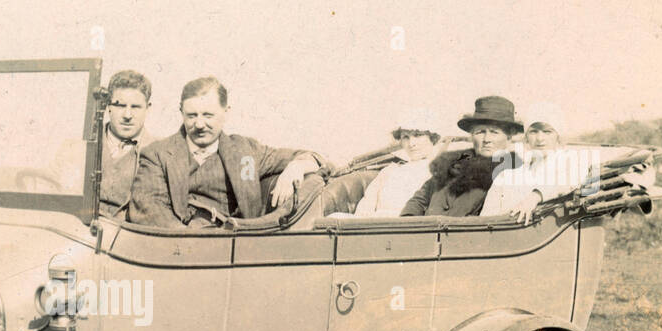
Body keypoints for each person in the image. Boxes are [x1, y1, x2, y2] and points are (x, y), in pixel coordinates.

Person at [128, 77, 324, 227]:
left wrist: (296, 168)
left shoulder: (245, 151)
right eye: (191, 116)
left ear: (225, 112)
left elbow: (317, 159)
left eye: (208, 115)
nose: (199, 124)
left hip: (238, 247)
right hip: (183, 247)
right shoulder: (157, 155)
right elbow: (149, 208)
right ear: (181, 113)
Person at [400, 96, 524, 217]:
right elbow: (420, 199)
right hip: (426, 233)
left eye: (494, 132)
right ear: (471, 136)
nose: (487, 139)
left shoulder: (513, 172)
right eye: (480, 132)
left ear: (509, 137)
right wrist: (408, 224)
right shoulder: (452, 163)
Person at [483, 104, 596, 223]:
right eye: (533, 132)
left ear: (558, 137)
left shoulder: (571, 163)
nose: (540, 138)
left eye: (547, 132)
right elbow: (484, 219)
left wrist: (535, 196)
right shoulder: (506, 176)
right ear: (526, 138)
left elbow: (571, 179)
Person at [350, 113, 443, 217]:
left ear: (432, 137)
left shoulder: (439, 171)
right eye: (406, 137)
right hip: (374, 225)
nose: (411, 143)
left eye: (417, 135)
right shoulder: (390, 170)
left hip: (407, 226)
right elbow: (365, 206)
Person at [98, 70, 154, 218]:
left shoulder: (159, 153)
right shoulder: (80, 146)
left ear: (148, 108)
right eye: (120, 105)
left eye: (135, 107)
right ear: (107, 106)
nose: (127, 115)